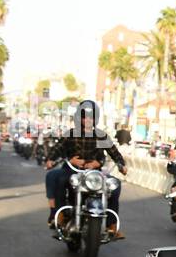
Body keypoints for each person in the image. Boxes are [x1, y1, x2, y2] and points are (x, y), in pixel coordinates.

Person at [44, 99, 129, 238]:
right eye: (85, 116)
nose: (88, 119)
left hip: (94, 174)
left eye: (91, 116)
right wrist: (52, 160)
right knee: (58, 178)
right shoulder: (70, 134)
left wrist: (121, 165)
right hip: (73, 170)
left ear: (95, 118)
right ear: (79, 117)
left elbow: (115, 153)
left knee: (115, 185)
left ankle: (111, 225)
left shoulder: (101, 136)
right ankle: (59, 215)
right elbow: (57, 150)